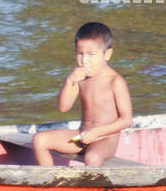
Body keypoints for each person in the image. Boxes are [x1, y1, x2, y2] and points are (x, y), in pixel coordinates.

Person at [32, 22, 133, 168]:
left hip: (105, 138)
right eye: (79, 54)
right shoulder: (80, 77)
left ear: (108, 54)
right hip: (81, 135)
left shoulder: (115, 81)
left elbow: (126, 120)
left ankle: (93, 188)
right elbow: (63, 107)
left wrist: (97, 132)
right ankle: (49, 181)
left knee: (92, 157)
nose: (84, 60)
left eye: (92, 54)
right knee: (39, 140)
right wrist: (69, 81)